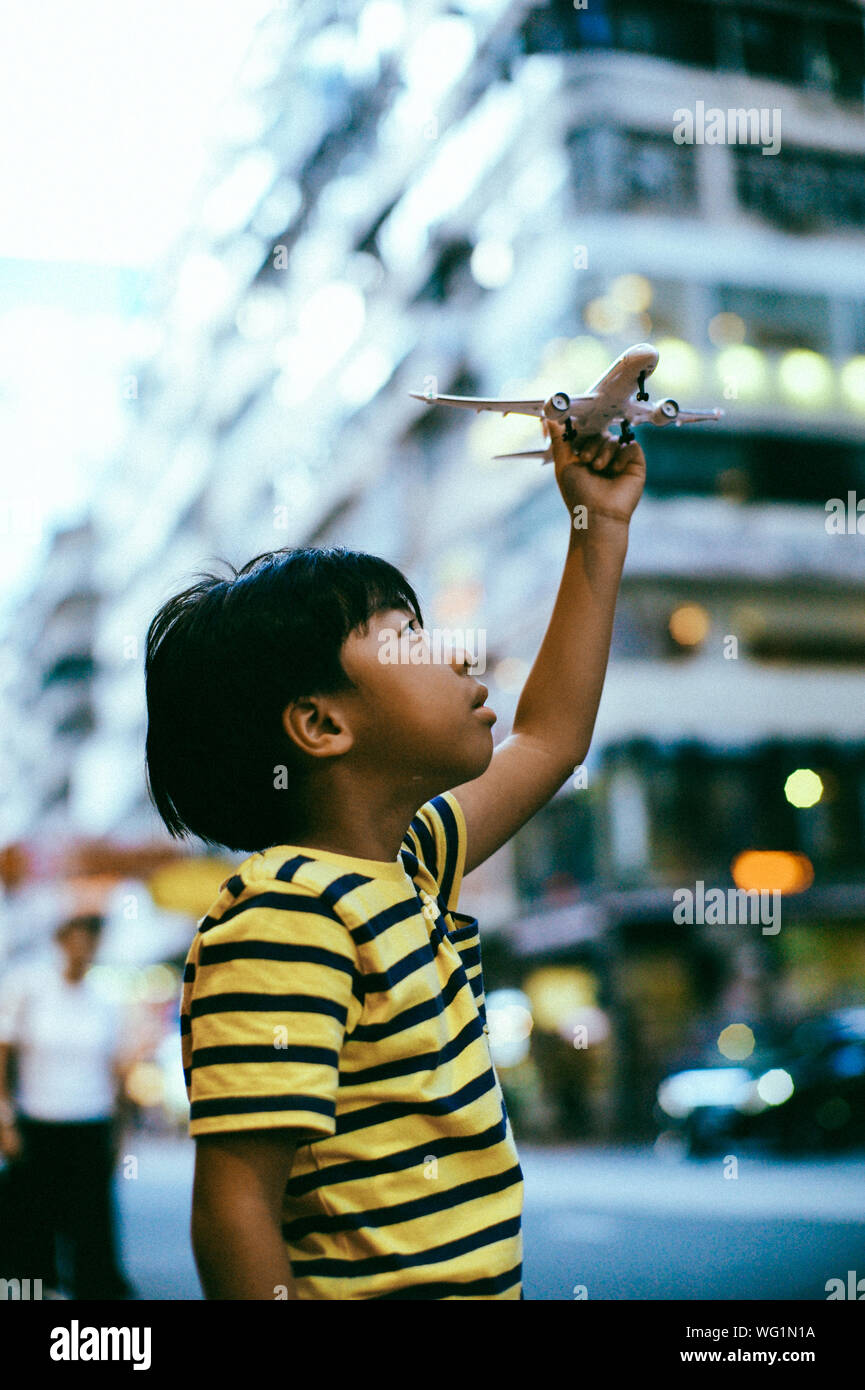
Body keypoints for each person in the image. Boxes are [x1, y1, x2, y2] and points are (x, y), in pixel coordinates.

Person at [144, 422, 646, 1299]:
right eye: (406, 636)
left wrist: (595, 525)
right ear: (322, 725)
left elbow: (552, 736)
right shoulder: (284, 917)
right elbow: (236, 1210)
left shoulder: (412, 867)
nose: (456, 650)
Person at [0, 914, 136, 1299]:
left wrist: (119, 1133)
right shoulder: (28, 988)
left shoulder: (105, 1000)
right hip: (38, 1119)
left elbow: (117, 1072)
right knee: (31, 1219)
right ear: (62, 940)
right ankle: (34, 1289)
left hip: (90, 1121)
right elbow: (4, 1054)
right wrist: (5, 1119)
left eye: (93, 940)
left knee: (92, 1221)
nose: (86, 948)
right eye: (79, 938)